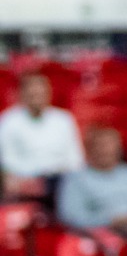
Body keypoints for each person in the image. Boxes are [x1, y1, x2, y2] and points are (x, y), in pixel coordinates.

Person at [59, 127, 127, 235]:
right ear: (88, 148)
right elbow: (69, 218)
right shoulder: (76, 179)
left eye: (110, 144)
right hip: (100, 239)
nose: (105, 150)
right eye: (100, 145)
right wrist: (109, 220)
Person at [0, 71, 84, 200]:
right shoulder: (9, 120)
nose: (37, 97)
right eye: (32, 93)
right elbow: (8, 161)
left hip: (61, 179)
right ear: (21, 94)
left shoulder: (64, 119)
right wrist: (35, 179)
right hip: (26, 180)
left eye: (40, 93)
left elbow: (75, 159)